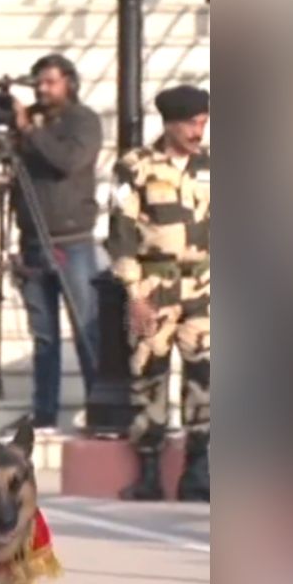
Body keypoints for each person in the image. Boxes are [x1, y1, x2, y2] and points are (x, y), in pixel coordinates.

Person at [106, 84, 211, 502]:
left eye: (203, 123)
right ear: (170, 123)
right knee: (149, 377)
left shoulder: (212, 165)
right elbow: (121, 230)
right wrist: (133, 292)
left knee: (205, 377)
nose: (198, 132)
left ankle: (197, 471)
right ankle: (149, 472)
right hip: (154, 285)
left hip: (203, 287)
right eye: (191, 123)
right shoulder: (135, 167)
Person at [6, 53, 104, 430]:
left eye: (51, 82)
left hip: (73, 241)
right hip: (32, 241)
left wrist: (30, 131)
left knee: (86, 328)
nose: (43, 90)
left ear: (70, 83)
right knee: (44, 336)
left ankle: (98, 406)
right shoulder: (30, 120)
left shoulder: (84, 121)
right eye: (39, 83)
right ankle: (44, 411)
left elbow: (69, 160)